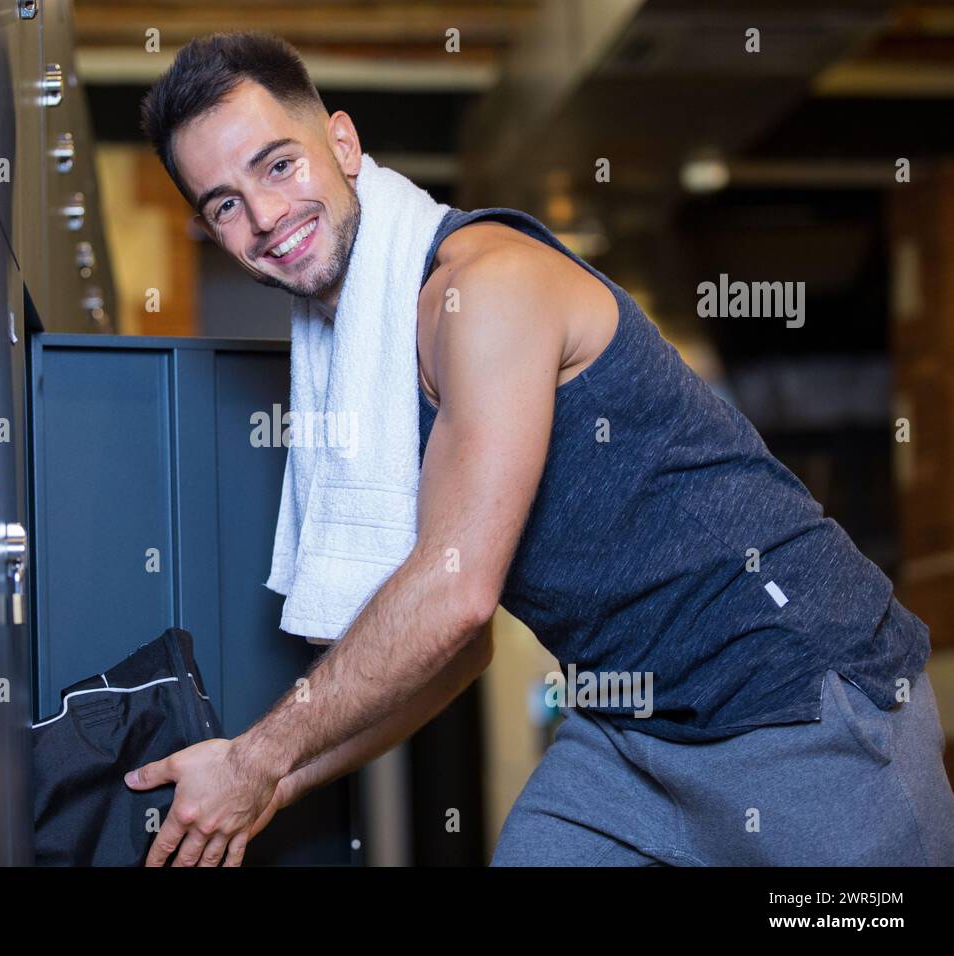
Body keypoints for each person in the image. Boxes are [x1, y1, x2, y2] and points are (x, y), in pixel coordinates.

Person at [124, 30, 954, 867]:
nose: (264, 217)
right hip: (631, 729)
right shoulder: (367, 363)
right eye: (224, 203)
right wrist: (267, 782)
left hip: (799, 697)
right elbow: (454, 657)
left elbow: (456, 601)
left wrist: (253, 760)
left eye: (278, 165)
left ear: (342, 143)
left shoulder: (486, 290)